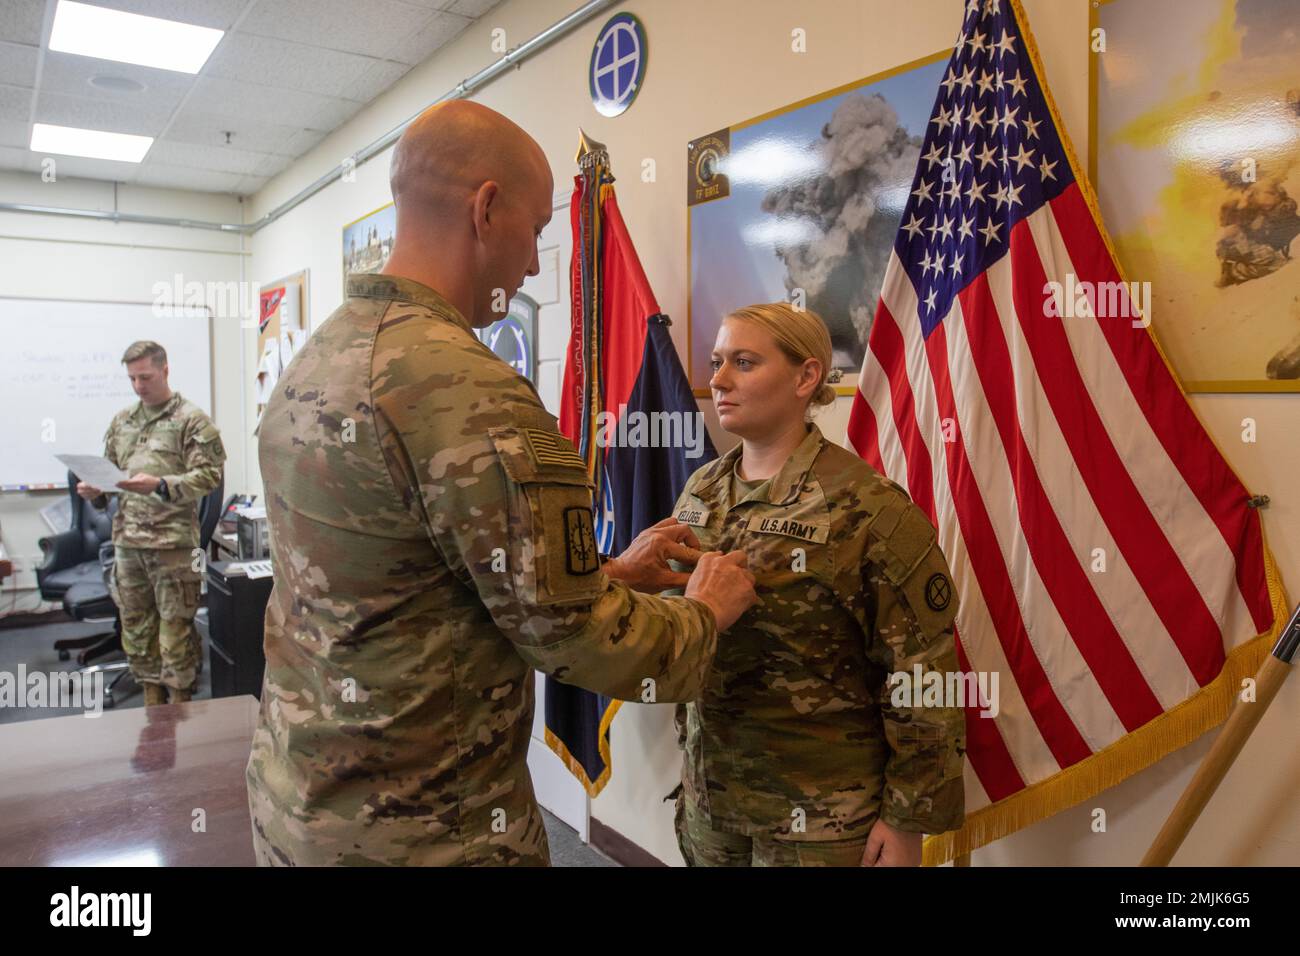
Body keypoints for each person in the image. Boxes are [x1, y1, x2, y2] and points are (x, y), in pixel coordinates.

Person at [245, 100, 758, 867]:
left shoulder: (316, 357)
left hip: (301, 803)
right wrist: (705, 615)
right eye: (536, 233)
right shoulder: (469, 390)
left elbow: (412, 581)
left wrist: (612, 572)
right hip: (427, 833)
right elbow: (576, 637)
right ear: (486, 208)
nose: (528, 264)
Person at [668, 303, 966, 867]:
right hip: (712, 800)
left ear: (806, 377)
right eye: (716, 362)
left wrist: (907, 819)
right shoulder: (701, 490)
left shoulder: (867, 506)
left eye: (745, 362)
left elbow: (924, 675)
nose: (718, 379)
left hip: (823, 820)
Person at [76, 340, 225, 706]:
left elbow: (209, 477)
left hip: (173, 547)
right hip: (128, 544)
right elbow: (109, 476)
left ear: (165, 370)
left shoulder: (191, 420)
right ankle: (151, 709)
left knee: (175, 632)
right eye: (132, 378)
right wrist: (94, 492)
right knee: (137, 632)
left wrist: (160, 484)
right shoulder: (122, 421)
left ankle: (180, 710)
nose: (139, 385)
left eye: (145, 376)